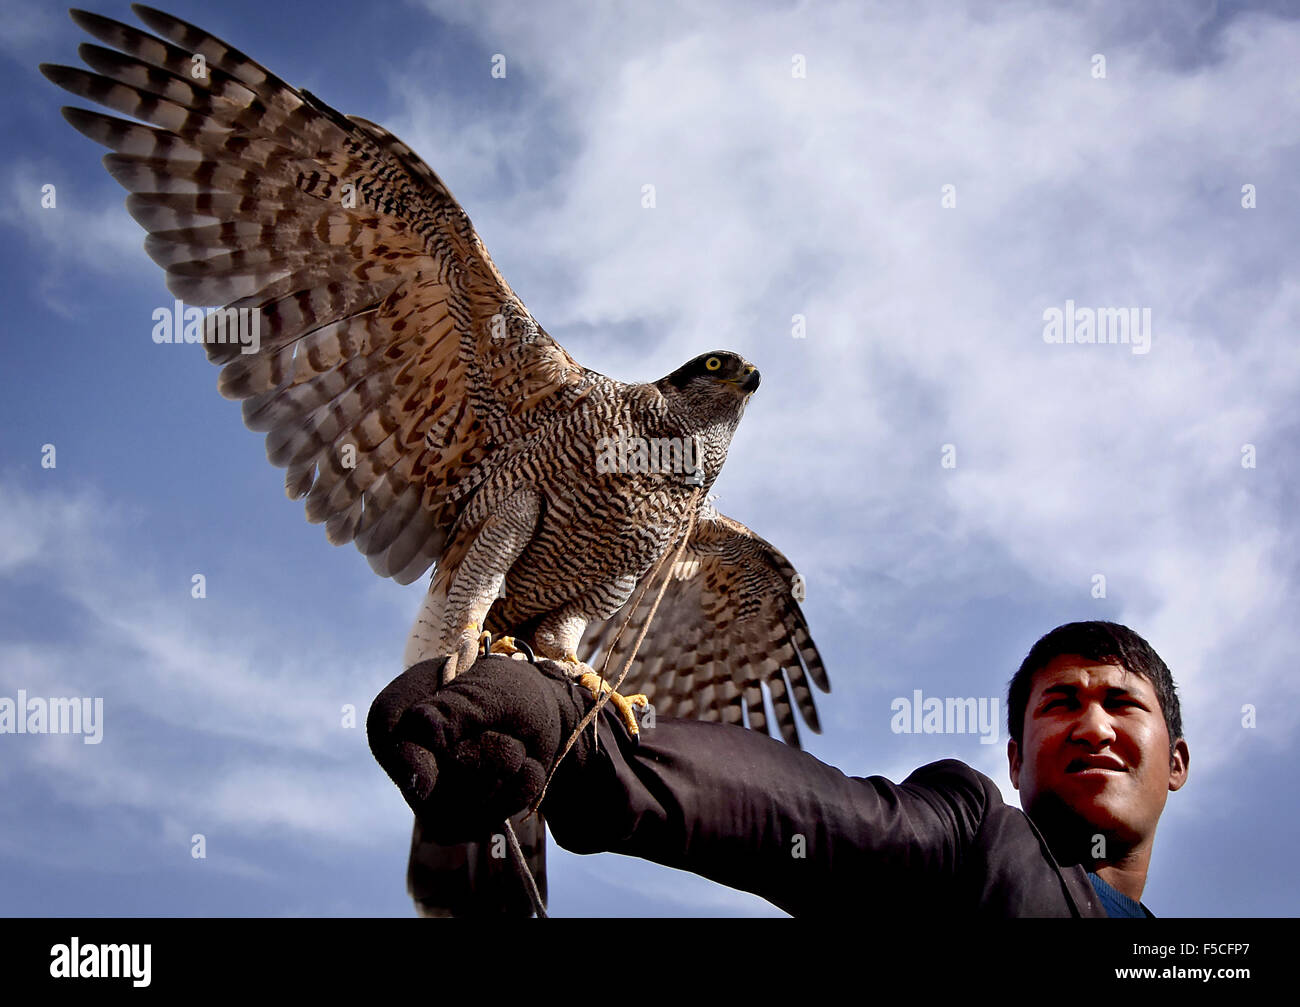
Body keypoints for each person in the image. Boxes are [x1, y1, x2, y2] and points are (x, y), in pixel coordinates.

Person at [368, 620, 1189, 916]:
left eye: (1123, 702)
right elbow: (813, 814)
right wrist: (585, 741)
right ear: (1013, 759)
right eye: (1060, 703)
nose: (1091, 724)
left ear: (1176, 759)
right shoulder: (975, 845)